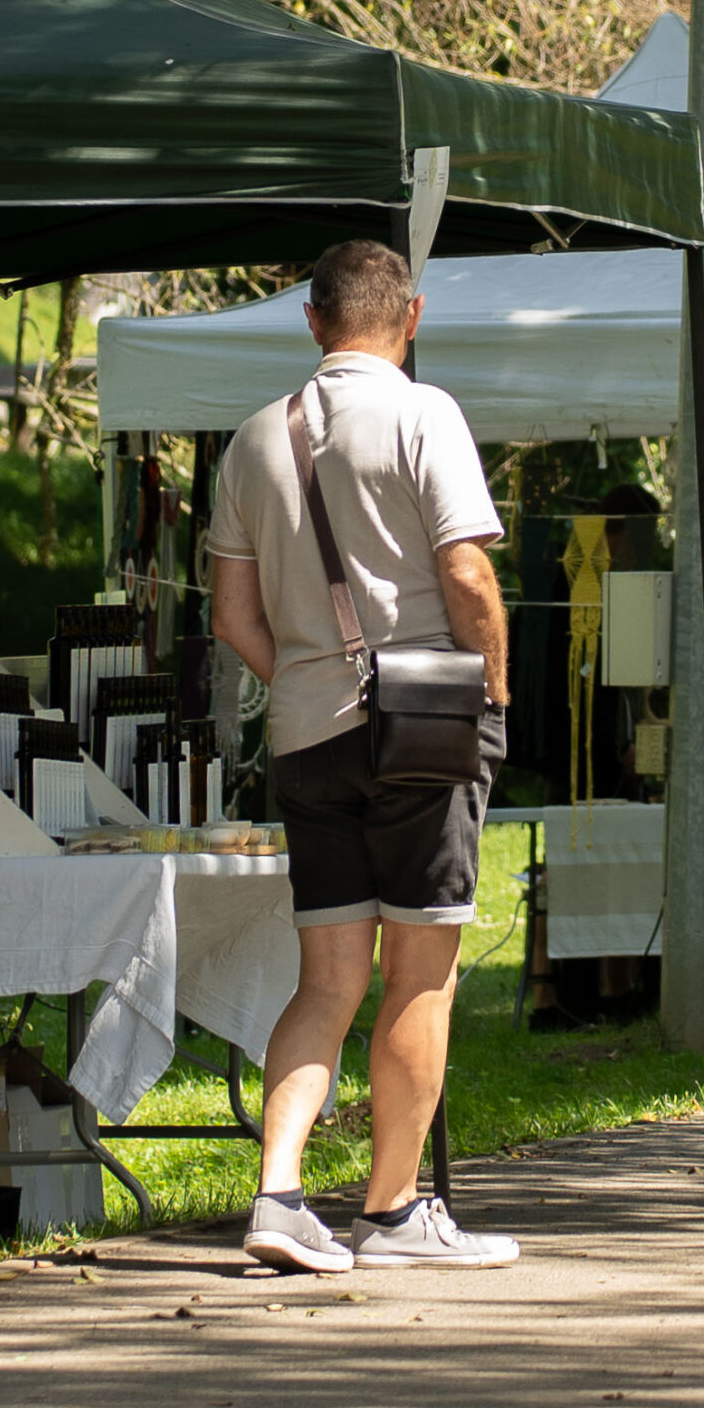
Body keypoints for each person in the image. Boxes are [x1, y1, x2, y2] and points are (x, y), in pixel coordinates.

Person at [211, 241, 517, 1275]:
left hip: (307, 730)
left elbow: (232, 615)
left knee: (327, 979)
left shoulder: (253, 437)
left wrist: (307, 673)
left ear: (311, 321)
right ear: (413, 315)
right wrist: (495, 685)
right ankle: (388, 1215)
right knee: (418, 975)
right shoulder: (426, 414)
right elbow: (467, 573)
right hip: (427, 723)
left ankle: (279, 1194)